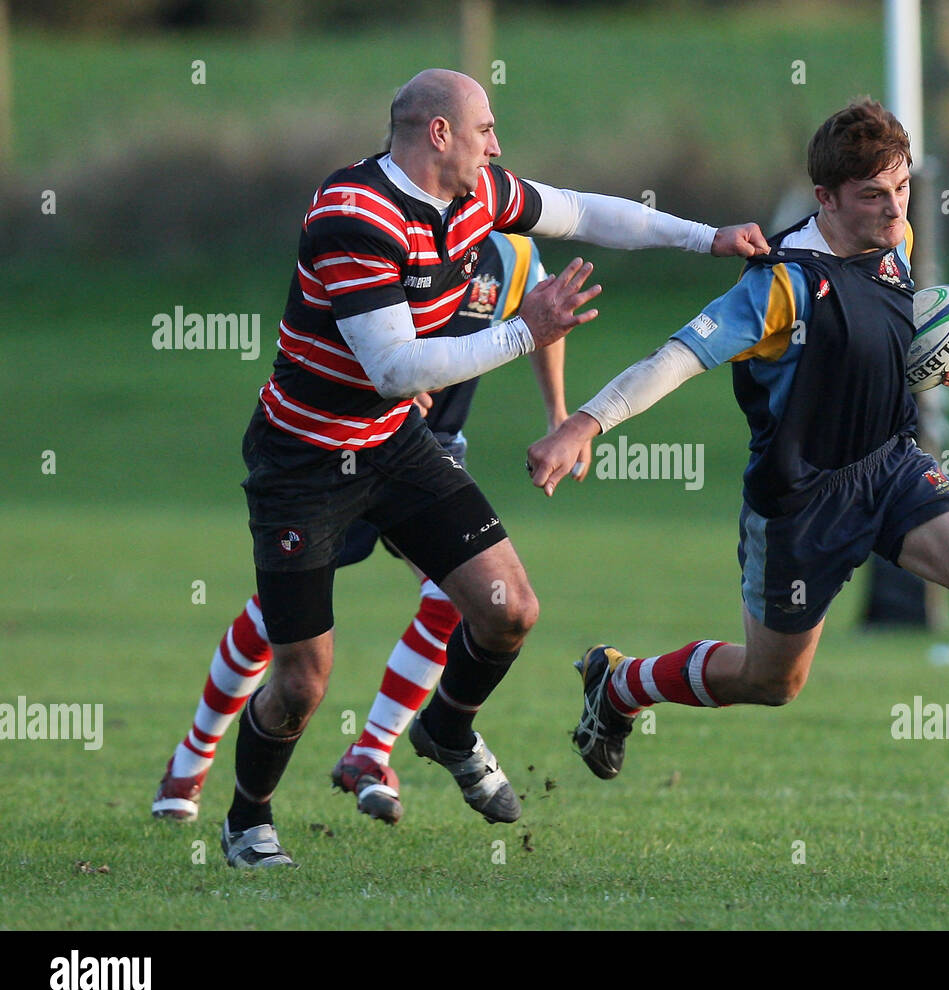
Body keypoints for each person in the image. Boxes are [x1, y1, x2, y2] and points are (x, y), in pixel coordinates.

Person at [524, 98, 949, 862]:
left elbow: (897, 332)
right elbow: (675, 359)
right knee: (771, 681)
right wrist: (583, 422)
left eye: (901, 188)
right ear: (824, 198)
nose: (894, 207)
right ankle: (621, 685)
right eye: (872, 194)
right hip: (800, 506)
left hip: (890, 470)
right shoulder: (782, 283)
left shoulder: (897, 240)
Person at [214, 68, 769, 868]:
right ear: (439, 134)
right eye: (486, 129)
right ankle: (247, 820)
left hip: (394, 445)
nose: (497, 144)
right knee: (303, 680)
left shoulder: (481, 194)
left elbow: (585, 213)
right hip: (303, 457)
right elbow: (395, 369)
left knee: (510, 609)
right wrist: (526, 332)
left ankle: (443, 729)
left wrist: (705, 238)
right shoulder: (352, 213)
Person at [151, 232, 583, 827]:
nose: (488, 158)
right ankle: (193, 756)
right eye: (481, 135)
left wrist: (557, 411)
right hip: (347, 447)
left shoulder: (513, 254)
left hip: (433, 453)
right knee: (284, 618)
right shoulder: (395, 231)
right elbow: (351, 329)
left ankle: (372, 751)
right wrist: (394, 377)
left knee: (462, 599)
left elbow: (543, 314)